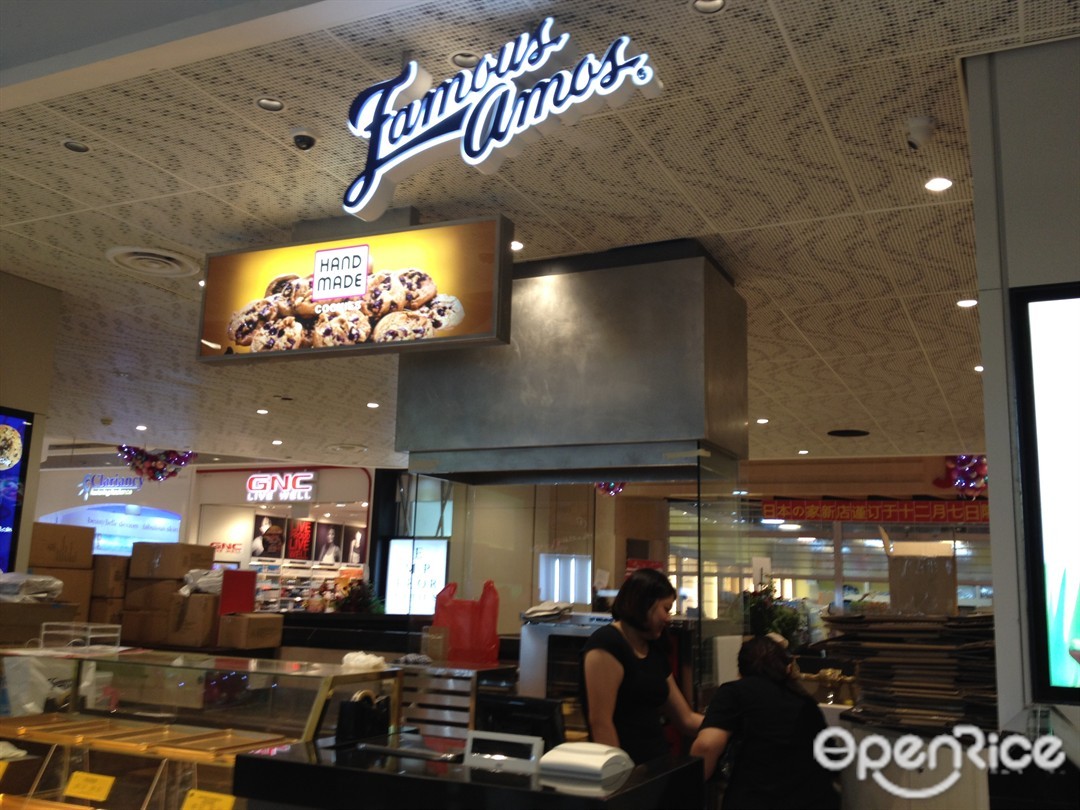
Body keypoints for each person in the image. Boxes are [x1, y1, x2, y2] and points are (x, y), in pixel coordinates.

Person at [691, 635, 839, 809]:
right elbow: (831, 761)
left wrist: (682, 792)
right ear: (788, 669)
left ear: (740, 671)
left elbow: (707, 746)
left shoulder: (735, 692)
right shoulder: (805, 701)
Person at [581, 568, 704, 765]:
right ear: (645, 604)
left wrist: (726, 725)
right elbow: (601, 724)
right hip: (629, 770)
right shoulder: (607, 643)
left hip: (656, 766)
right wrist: (620, 777)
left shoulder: (652, 648)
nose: (668, 618)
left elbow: (685, 718)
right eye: (666, 609)